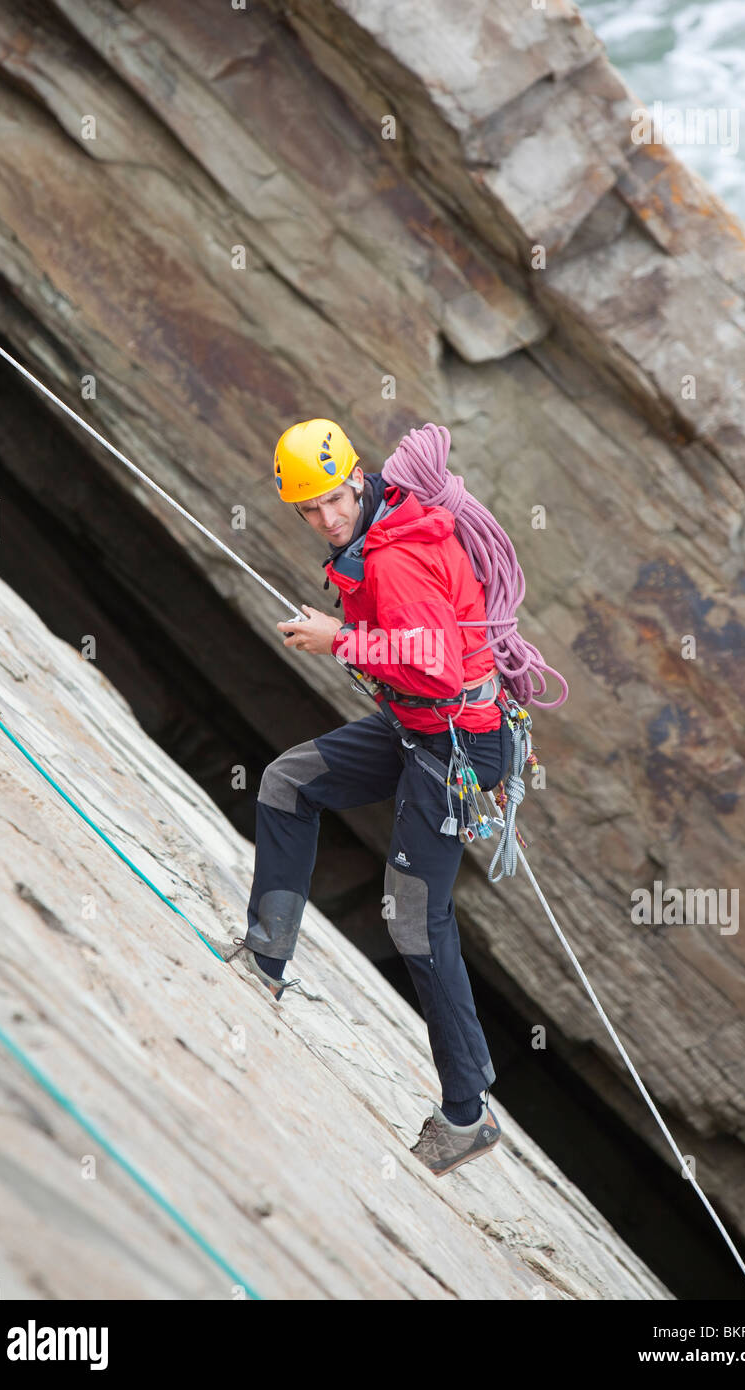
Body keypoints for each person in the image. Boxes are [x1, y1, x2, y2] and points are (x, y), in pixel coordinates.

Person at [230, 417, 512, 1177]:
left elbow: (437, 666)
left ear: (358, 477)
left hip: (456, 739)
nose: (327, 518)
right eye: (310, 509)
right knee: (288, 783)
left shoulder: (393, 558)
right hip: (422, 728)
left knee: (418, 918)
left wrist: (341, 640)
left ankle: (467, 1114)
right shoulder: (378, 530)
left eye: (334, 498)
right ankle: (265, 957)